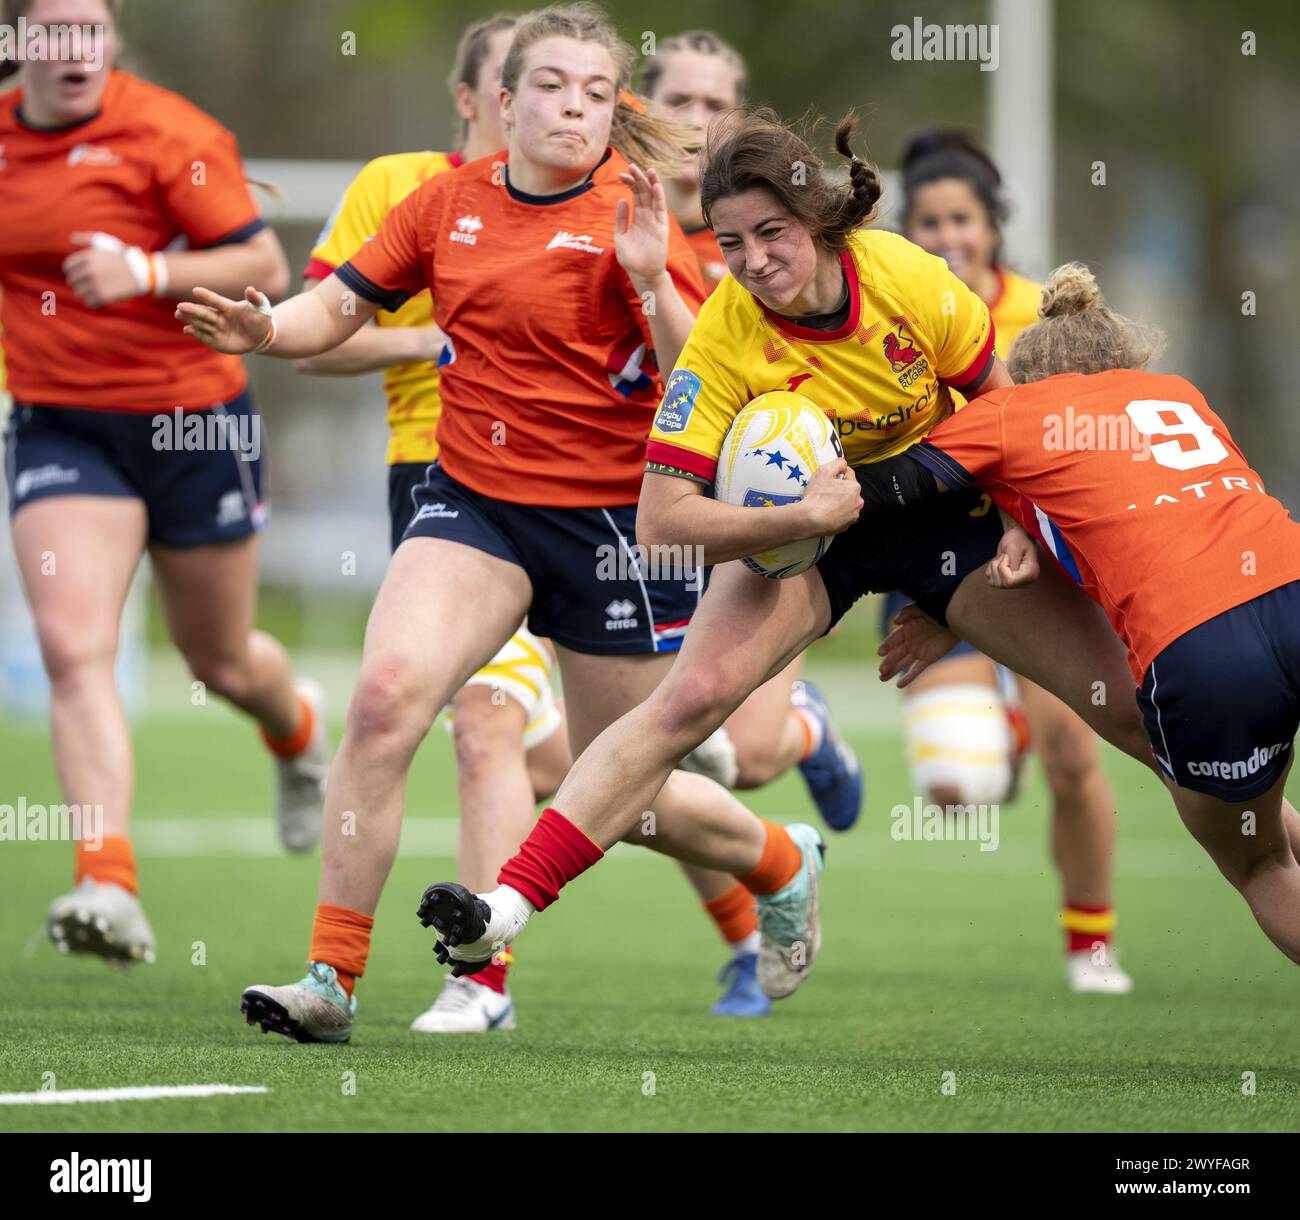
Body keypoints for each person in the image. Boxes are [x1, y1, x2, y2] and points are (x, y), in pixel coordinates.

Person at [179, 2, 828, 1044]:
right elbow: (335, 310)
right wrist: (263, 327)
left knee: (621, 792)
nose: (571, 106)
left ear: (614, 110)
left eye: (593, 92)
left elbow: (706, 383)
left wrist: (653, 280)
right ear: (501, 99)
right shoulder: (442, 204)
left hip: (613, 525)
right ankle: (332, 978)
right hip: (474, 502)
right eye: (549, 86)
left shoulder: (638, 209)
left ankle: (780, 861)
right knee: (386, 699)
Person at [414, 109, 1161, 983]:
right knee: (680, 708)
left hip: (943, 511)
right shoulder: (726, 335)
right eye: (730, 242)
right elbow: (660, 523)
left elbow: (1004, 413)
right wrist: (797, 520)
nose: (755, 259)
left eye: (772, 232)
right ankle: (500, 910)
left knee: (1131, 718)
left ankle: (1251, 855)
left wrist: (1003, 540)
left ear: (817, 219)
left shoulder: (906, 277)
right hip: (804, 534)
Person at [1, 0, 327, 968]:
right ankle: (108, 880)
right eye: (49, 32)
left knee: (217, 661)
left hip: (192, 418)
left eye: (88, 30)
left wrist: (143, 268)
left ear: (110, 39)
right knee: (72, 643)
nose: (72, 51)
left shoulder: (170, 134)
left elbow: (264, 262)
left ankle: (298, 728)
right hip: (62, 424)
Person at [868, 263, 1300, 967]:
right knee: (1266, 822)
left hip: (1203, 644)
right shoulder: (1178, 393)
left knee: (1261, 867)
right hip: (1291, 580)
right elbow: (1119, 503)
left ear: (1027, 374)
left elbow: (888, 488)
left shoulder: (1012, 412)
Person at [294, 13, 571, 1035]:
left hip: (563, 496)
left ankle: (479, 983)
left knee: (491, 727)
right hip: (434, 488)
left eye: (555, 87)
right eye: (514, 85)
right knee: (444, 726)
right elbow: (320, 335)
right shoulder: (406, 187)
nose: (533, 106)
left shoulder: (600, 202)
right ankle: (763, 858)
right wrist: (433, 341)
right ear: (472, 99)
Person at [638, 29, 862, 1017]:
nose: (695, 121)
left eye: (714, 104)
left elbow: (723, 383)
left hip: (735, 509)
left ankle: (805, 734)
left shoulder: (749, 240)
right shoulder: (604, 208)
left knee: (742, 754)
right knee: (625, 751)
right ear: (640, 112)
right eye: (677, 100)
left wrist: (650, 281)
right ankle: (746, 928)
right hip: (603, 515)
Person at [882, 129, 1130, 993]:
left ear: (992, 226)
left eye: (962, 219)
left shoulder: (1045, 316)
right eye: (928, 221)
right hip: (934, 567)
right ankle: (1001, 721)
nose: (947, 236)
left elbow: (1092, 444)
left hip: (1048, 559)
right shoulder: (890, 314)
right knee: (957, 784)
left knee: (1076, 755)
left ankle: (1089, 943)